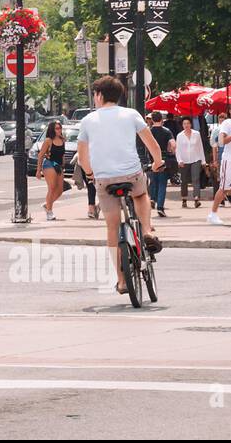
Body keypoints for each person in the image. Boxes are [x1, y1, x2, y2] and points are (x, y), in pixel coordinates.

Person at [76, 75, 164, 296]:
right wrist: (157, 162)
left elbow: (83, 157)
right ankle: (146, 230)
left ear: (99, 95)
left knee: (112, 227)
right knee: (141, 195)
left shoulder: (88, 120)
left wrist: (89, 173)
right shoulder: (131, 114)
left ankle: (122, 281)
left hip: (104, 178)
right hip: (131, 172)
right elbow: (151, 143)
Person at [34, 120, 66, 221]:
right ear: (52, 129)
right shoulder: (48, 140)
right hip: (49, 164)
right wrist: (38, 170)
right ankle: (49, 211)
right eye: (57, 128)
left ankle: (47, 204)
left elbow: (62, 154)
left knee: (60, 190)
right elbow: (41, 155)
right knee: (52, 188)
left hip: (59, 165)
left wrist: (63, 164)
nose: (59, 130)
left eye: (60, 128)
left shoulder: (62, 139)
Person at [146, 113, 175, 216]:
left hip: (151, 160)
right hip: (163, 160)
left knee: (153, 181)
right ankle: (160, 207)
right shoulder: (167, 131)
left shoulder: (148, 131)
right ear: (161, 119)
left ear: (152, 120)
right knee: (162, 183)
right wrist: (171, 151)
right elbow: (173, 145)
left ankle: (153, 198)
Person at [175, 117, 205, 210]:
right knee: (184, 181)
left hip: (196, 159)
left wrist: (203, 161)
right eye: (184, 124)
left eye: (188, 123)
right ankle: (184, 198)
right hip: (184, 161)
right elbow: (178, 149)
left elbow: (200, 147)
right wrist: (179, 160)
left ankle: (196, 198)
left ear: (191, 124)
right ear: (182, 125)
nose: (186, 125)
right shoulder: (179, 136)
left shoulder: (196, 134)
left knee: (196, 178)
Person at [209, 110, 231, 208]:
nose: (222, 121)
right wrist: (215, 160)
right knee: (221, 178)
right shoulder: (217, 130)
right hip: (222, 156)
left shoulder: (229, 130)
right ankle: (222, 199)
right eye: (221, 119)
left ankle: (227, 195)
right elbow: (214, 146)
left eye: (224, 119)